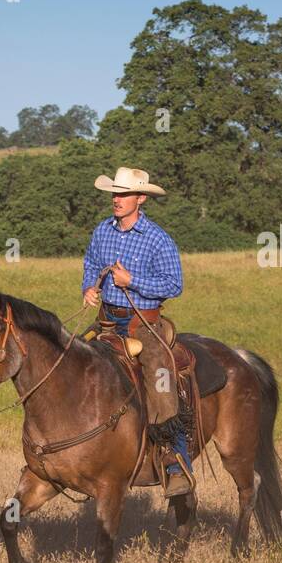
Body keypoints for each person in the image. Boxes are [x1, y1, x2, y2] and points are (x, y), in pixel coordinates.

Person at [81, 167, 192, 497]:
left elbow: (175, 285)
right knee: (69, 356)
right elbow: (90, 261)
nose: (116, 199)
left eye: (123, 194)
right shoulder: (103, 230)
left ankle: (174, 463)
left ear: (140, 198)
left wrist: (134, 282)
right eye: (114, 194)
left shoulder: (158, 239)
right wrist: (90, 286)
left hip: (143, 324)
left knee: (160, 377)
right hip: (105, 322)